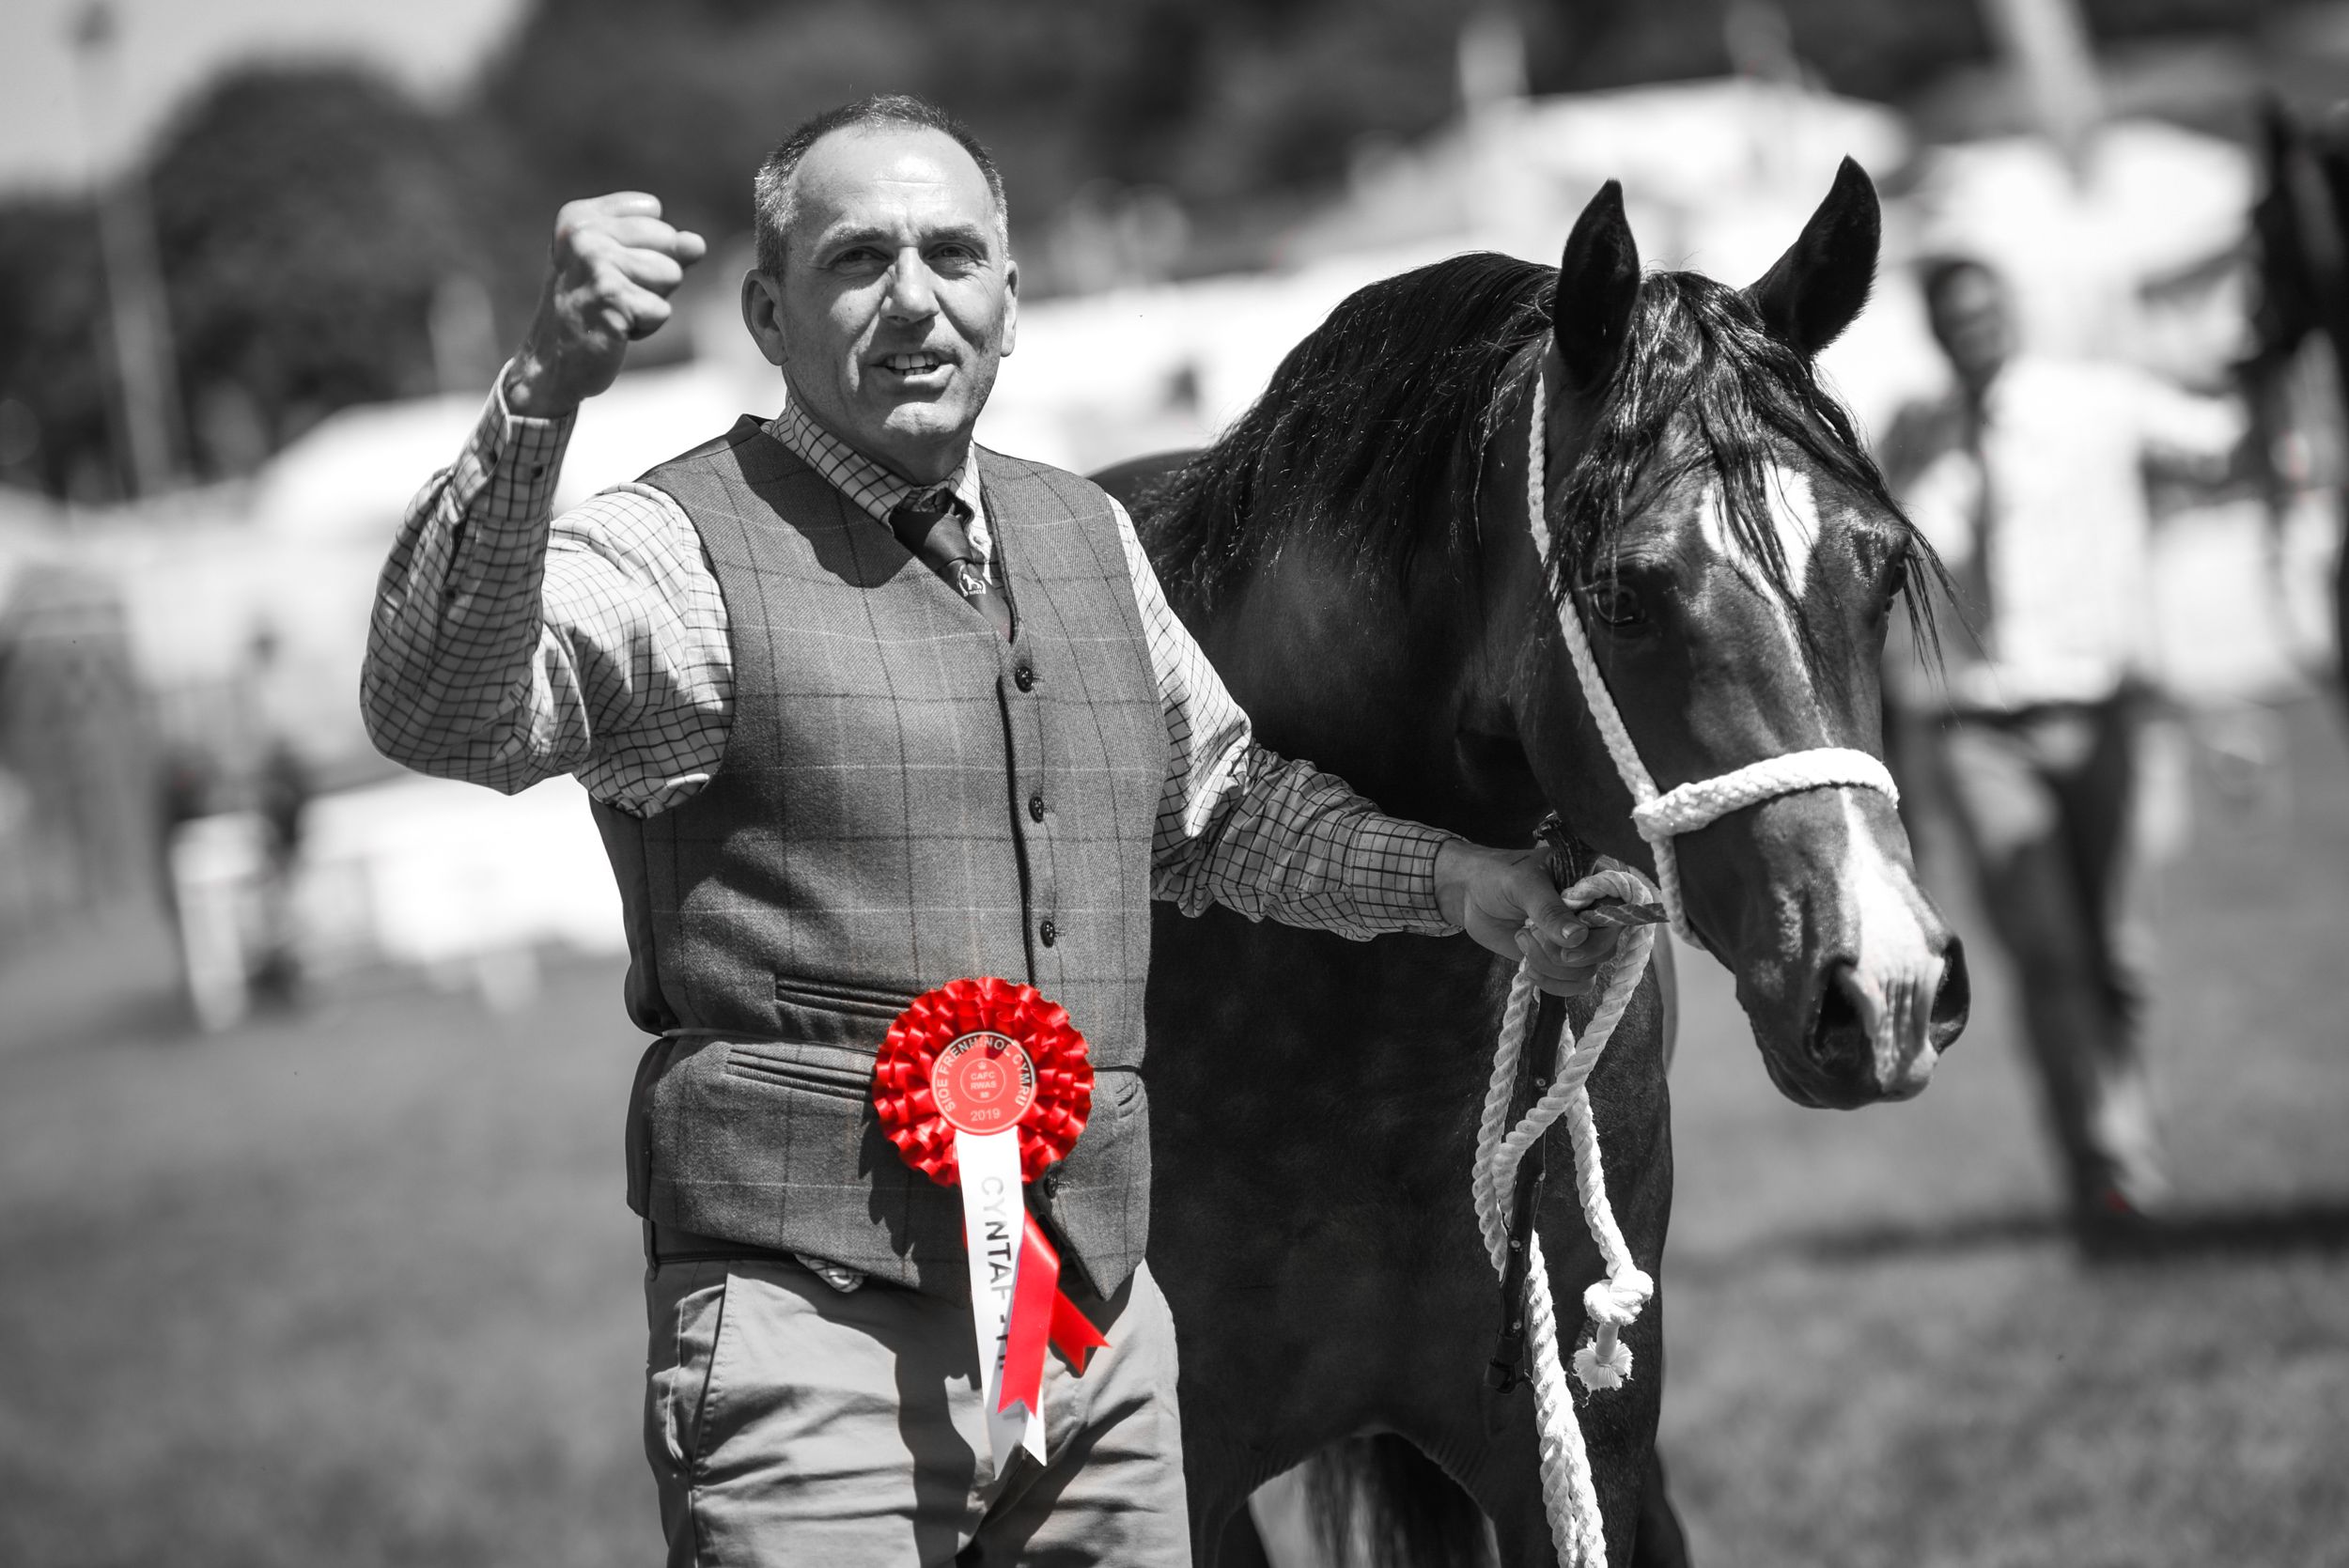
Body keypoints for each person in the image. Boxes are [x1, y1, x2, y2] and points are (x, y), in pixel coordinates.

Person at [361, 95, 1618, 1566]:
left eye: (954, 255)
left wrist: (1459, 880)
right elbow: (441, 707)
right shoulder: (678, 552)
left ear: (1010, 302)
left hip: (1099, 1359)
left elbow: (1220, 813)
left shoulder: (1086, 538)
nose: (915, 298)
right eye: (856, 260)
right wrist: (544, 388)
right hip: (803, 1348)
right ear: (767, 312)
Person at [1879, 256, 2245, 1249]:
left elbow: (2225, 444)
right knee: (2045, 952)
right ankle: (2104, 1166)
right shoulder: (1916, 434)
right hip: (1978, 728)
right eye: (1954, 319)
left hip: (2102, 712)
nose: (1974, 331)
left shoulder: (2098, 404)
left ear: (2013, 311)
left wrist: (2269, 344)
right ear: (1935, 330)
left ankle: (2128, 1138)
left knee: (2120, 952)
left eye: (1987, 311)